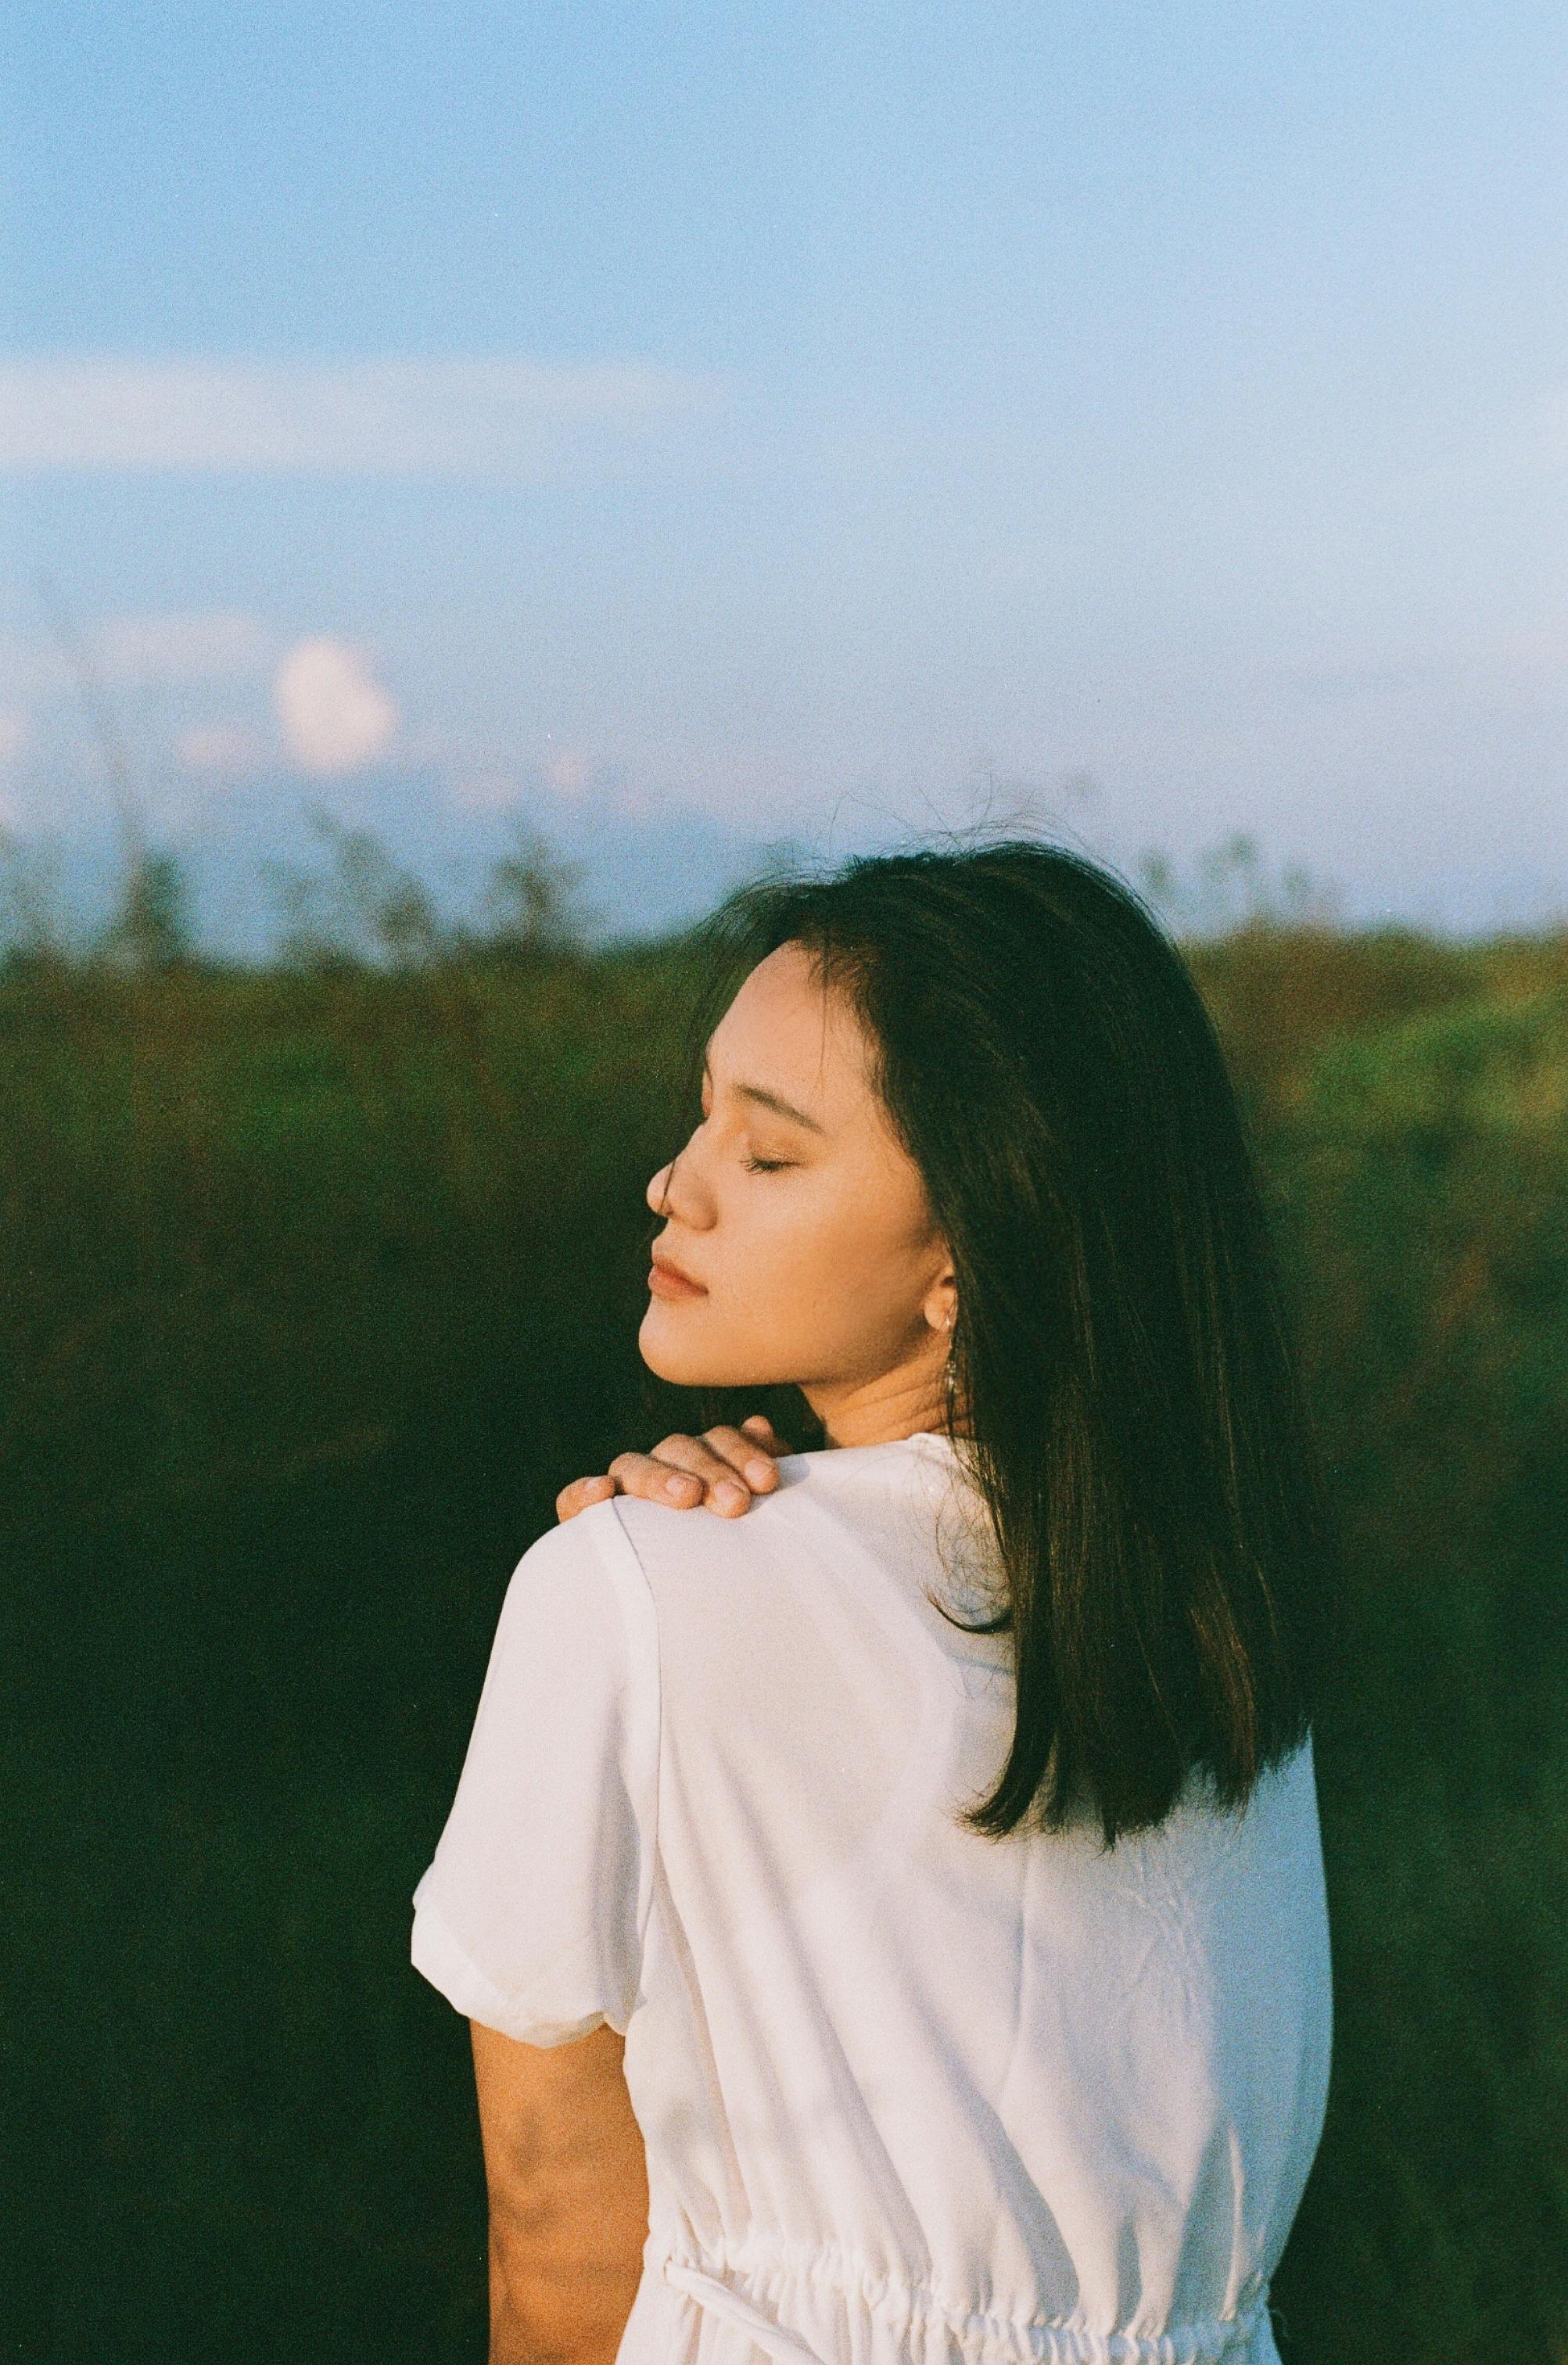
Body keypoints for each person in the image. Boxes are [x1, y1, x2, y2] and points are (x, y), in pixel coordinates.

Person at [410, 838, 1341, 2365]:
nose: (673, 1184)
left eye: (766, 1153)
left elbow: (559, 2259)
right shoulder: (1212, 1618)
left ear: (974, 1250)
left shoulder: (626, 1586)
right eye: (703, 1116)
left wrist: (653, 1587)